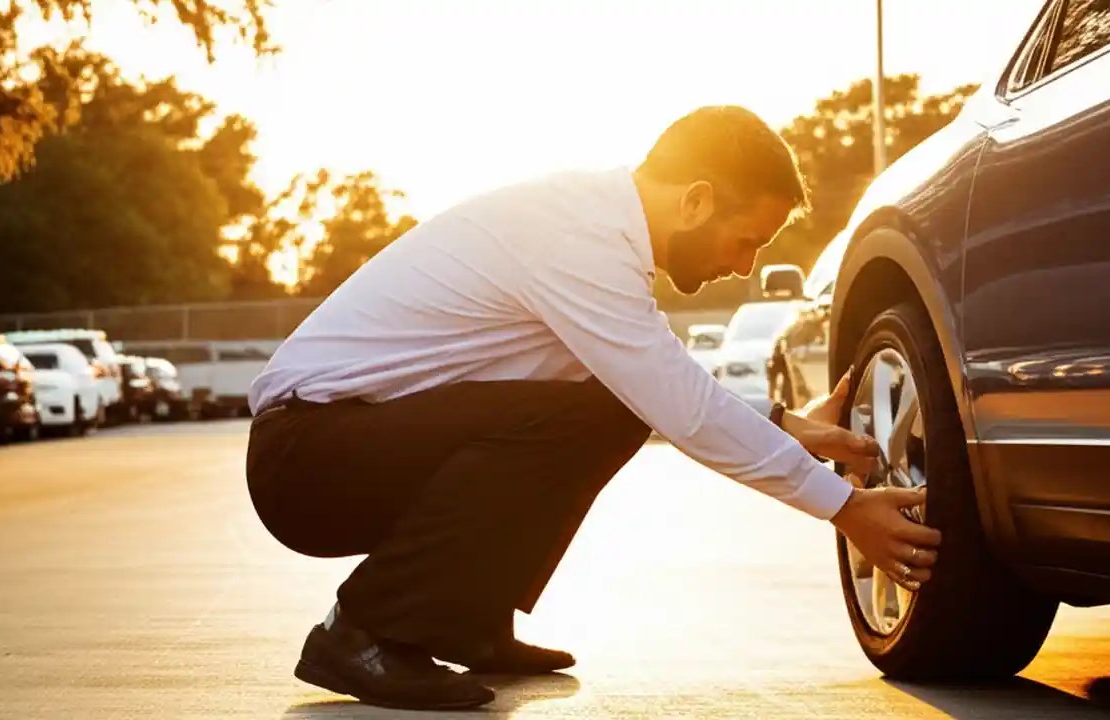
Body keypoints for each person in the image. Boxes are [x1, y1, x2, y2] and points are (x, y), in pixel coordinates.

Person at [244, 106, 942, 711]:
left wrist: (784, 423)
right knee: (595, 414)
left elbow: (656, 377)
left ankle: (463, 622)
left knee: (602, 407)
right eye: (747, 241)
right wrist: (842, 507)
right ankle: (365, 632)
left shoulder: (592, 229)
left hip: (344, 438)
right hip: (307, 456)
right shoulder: (579, 238)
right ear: (696, 200)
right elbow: (673, 401)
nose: (743, 266)